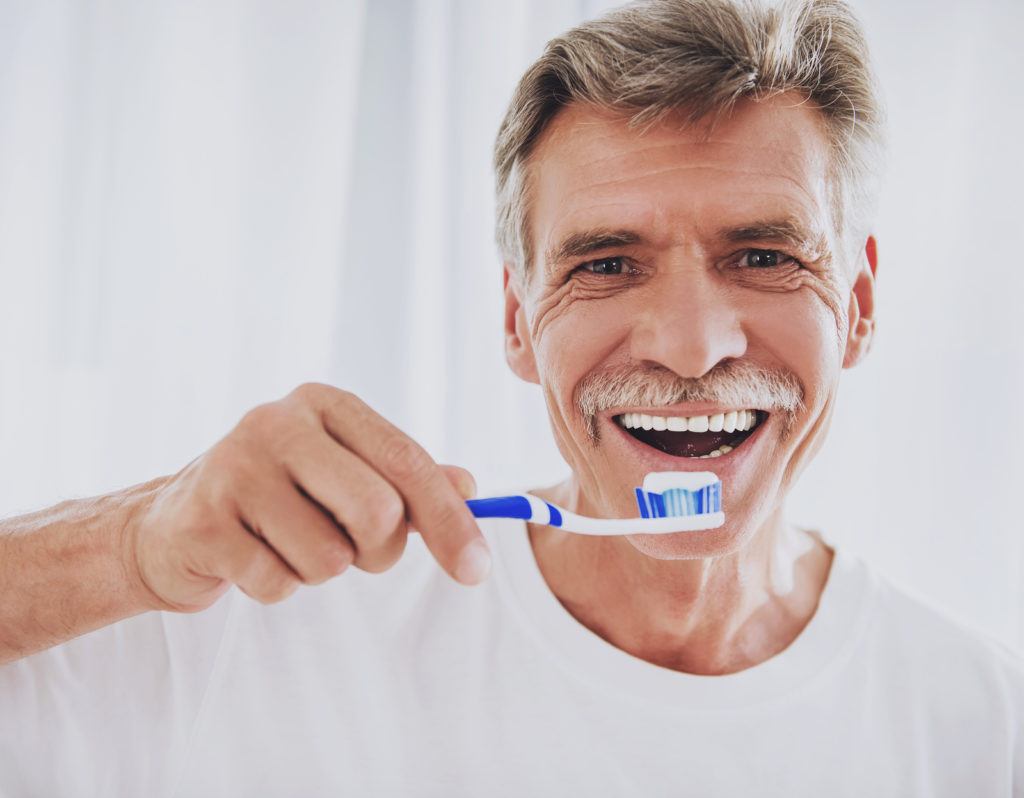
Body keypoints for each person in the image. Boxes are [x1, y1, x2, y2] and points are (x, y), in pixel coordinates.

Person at [1, 0, 1021, 794]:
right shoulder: (267, 627)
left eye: (761, 255)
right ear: (514, 317)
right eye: (607, 264)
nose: (690, 345)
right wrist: (130, 544)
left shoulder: (977, 724)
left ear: (860, 303)